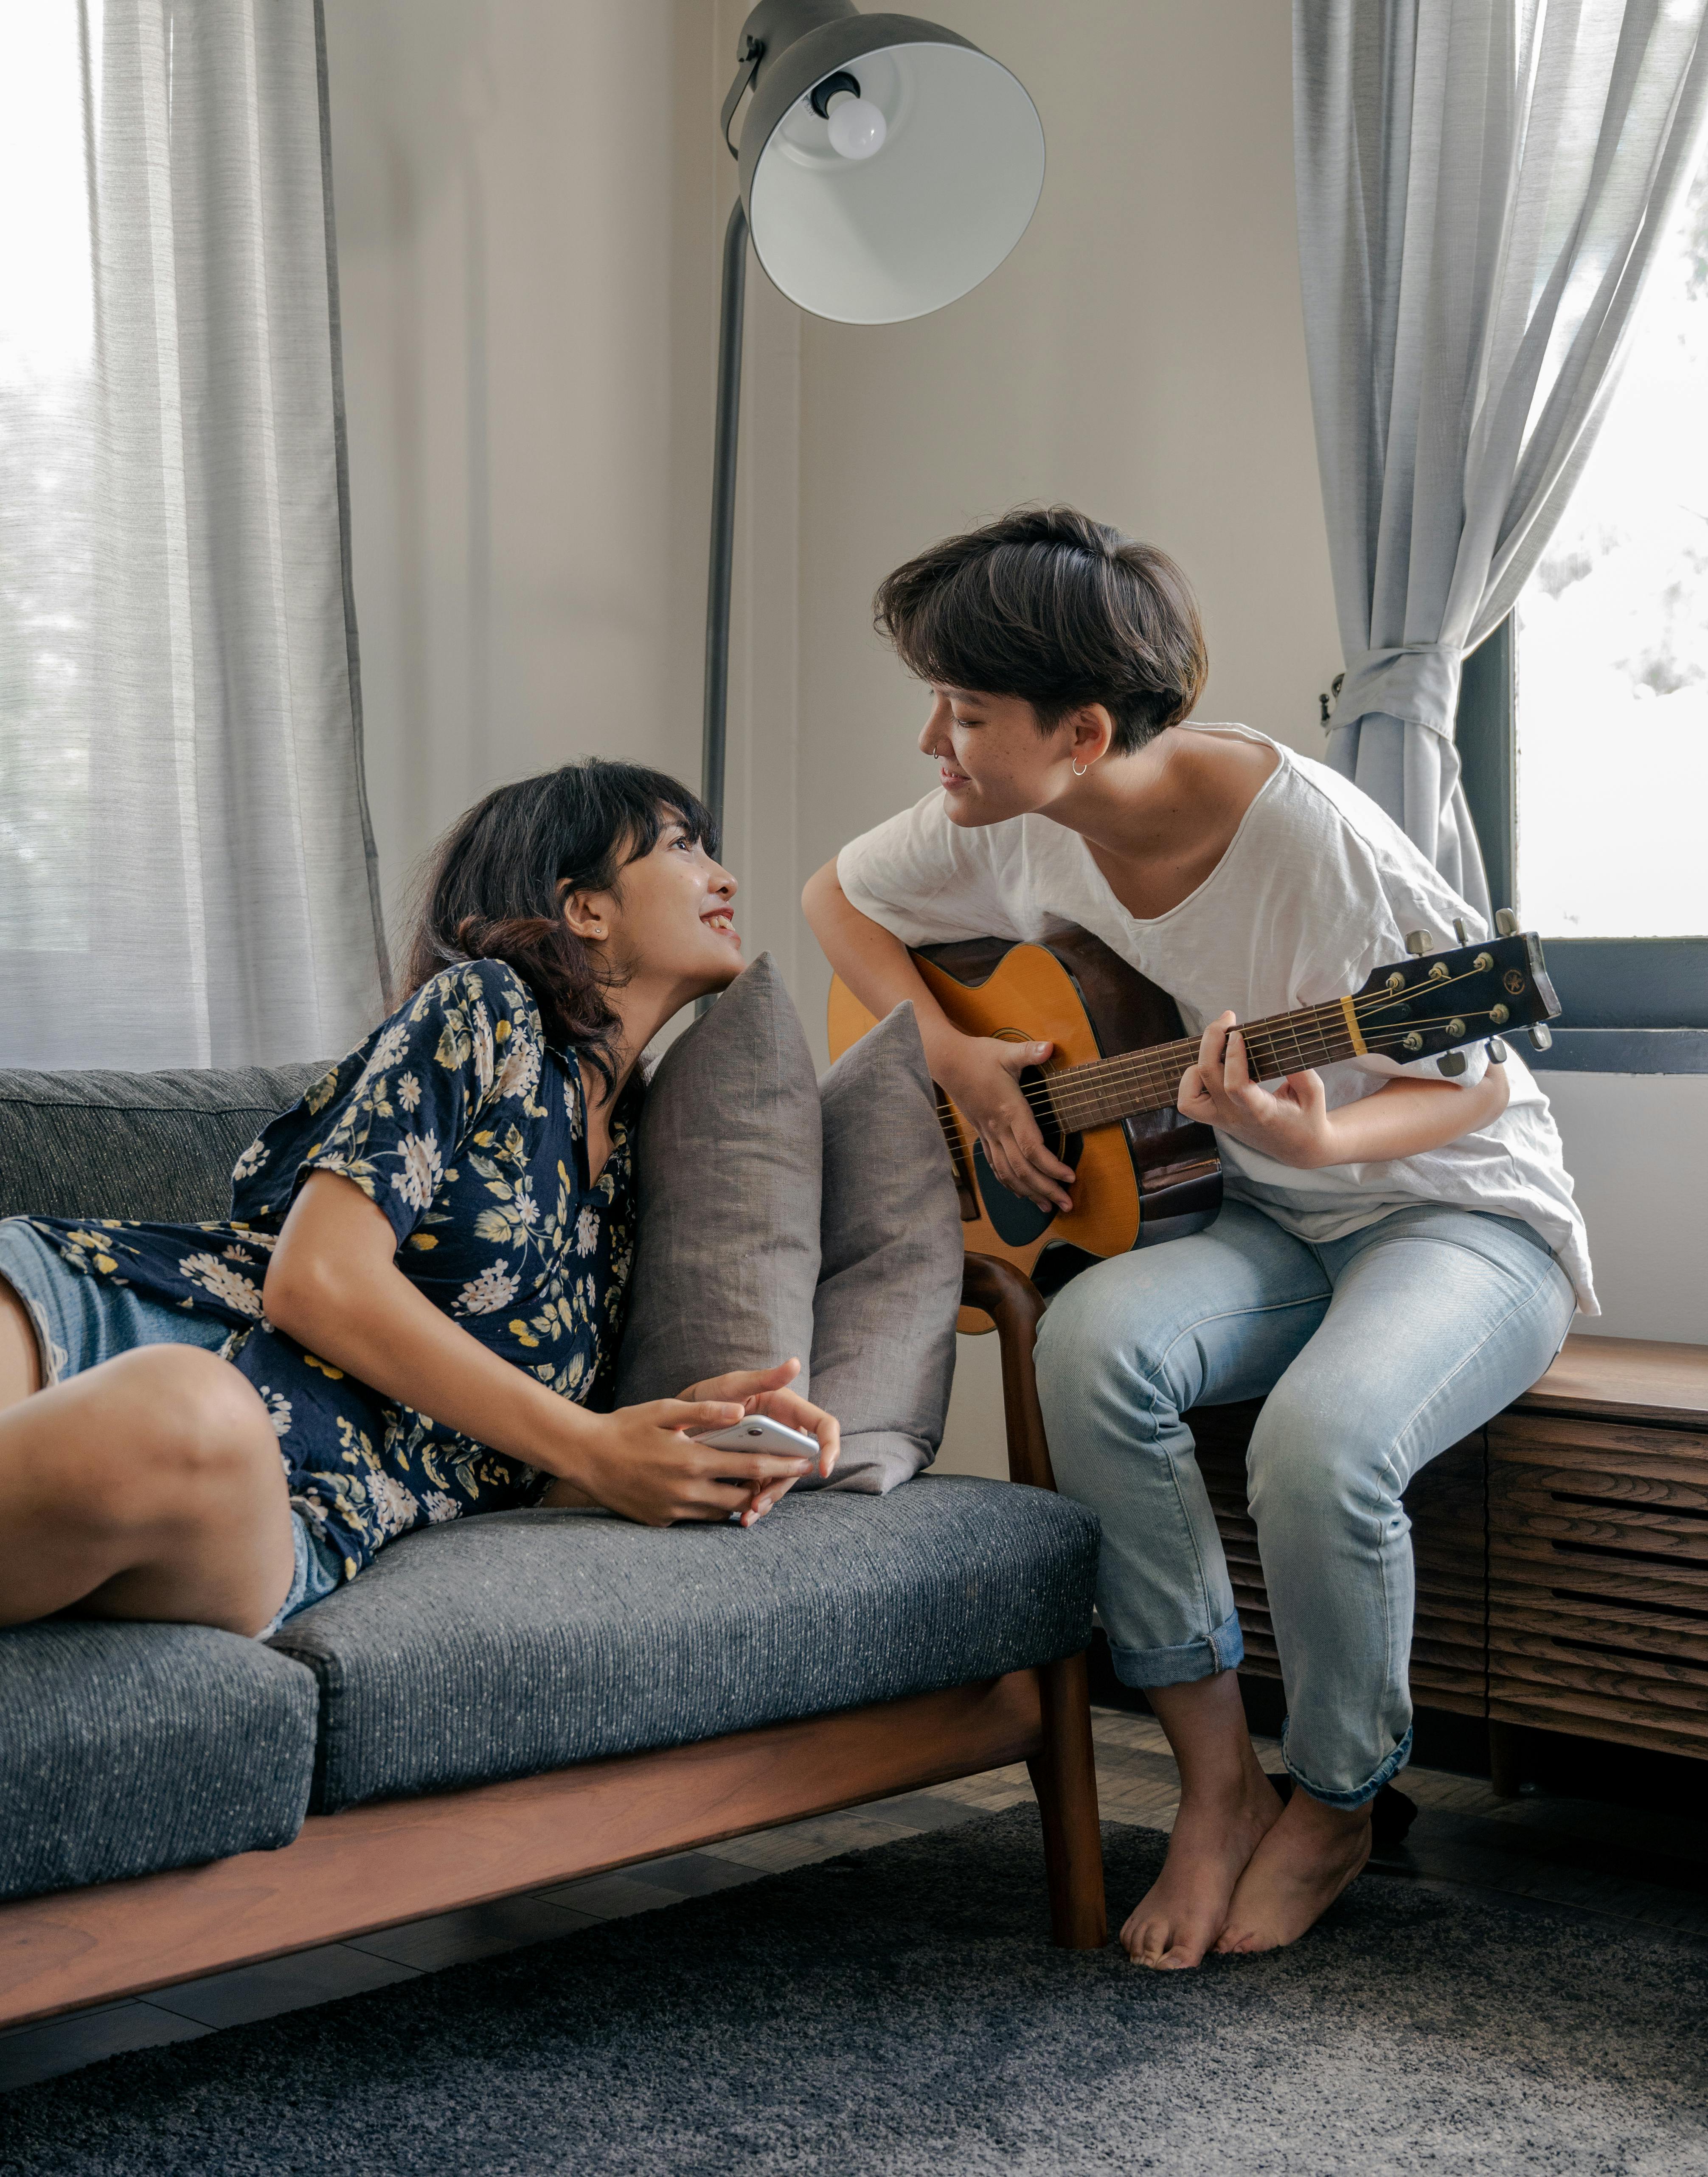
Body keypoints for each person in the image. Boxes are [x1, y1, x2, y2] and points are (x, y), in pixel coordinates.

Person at [804, 506, 1591, 1967]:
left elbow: (1473, 1067)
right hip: (1271, 1220)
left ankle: (1341, 1792)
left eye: (964, 712)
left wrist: (1321, 1133)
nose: (934, 742)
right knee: (1090, 1340)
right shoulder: (1020, 820)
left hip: (1463, 1215)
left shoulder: (1308, 837)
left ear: (1083, 729)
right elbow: (832, 896)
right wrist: (956, 1056)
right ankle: (1216, 1780)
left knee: (1324, 1438)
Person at [0, 760, 837, 1642]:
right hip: (101, 1313)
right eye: (682, 847)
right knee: (188, 1401)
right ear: (585, 907)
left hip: (291, 1509)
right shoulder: (489, 1009)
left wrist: (689, 1432)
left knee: (194, 1419)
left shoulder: (631, 1162)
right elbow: (315, 1278)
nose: (724, 875)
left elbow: (513, 1461)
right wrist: (592, 1445)